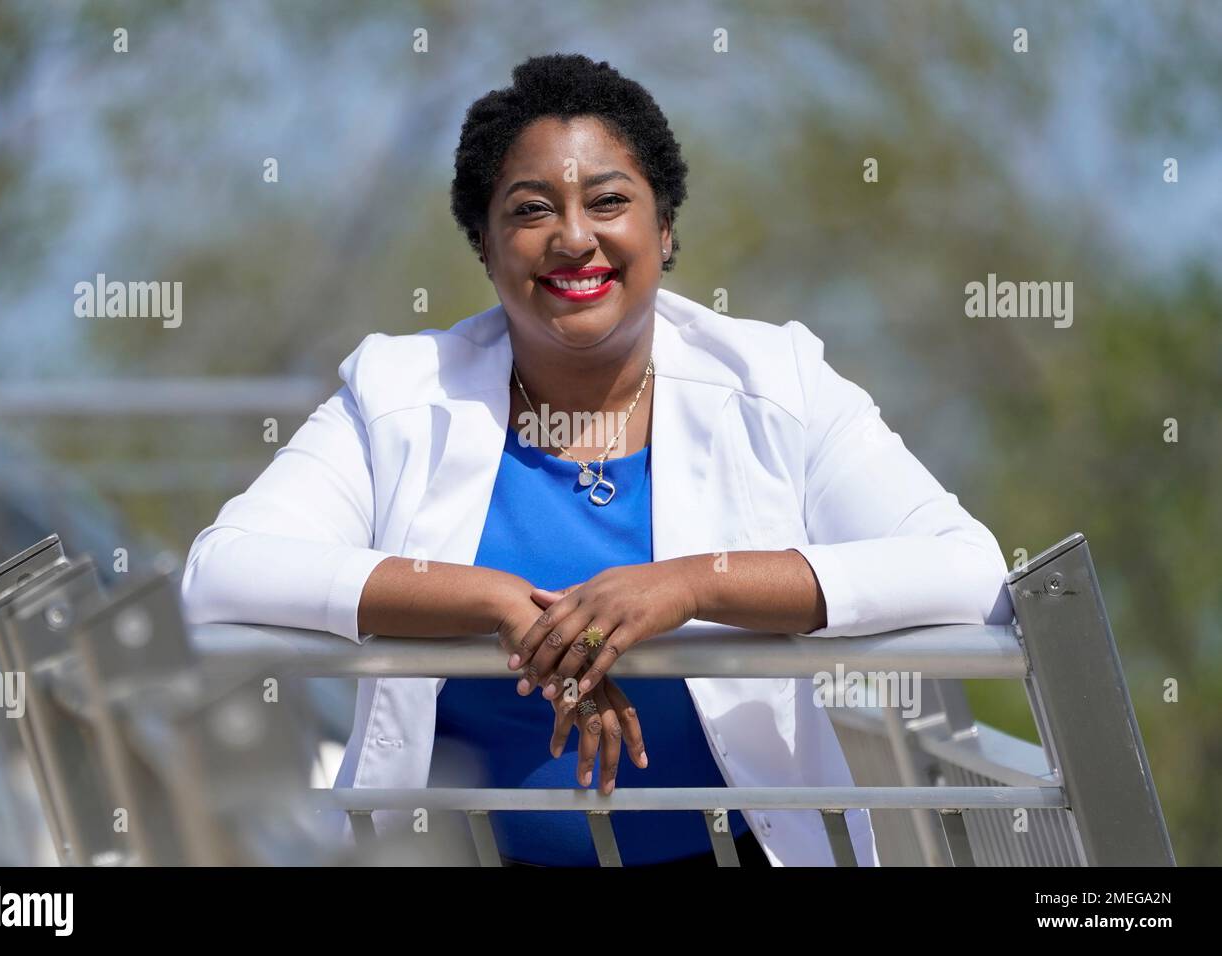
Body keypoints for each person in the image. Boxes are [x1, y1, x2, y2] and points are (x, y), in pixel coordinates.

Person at [181, 53, 1014, 867]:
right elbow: (221, 576)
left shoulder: (777, 381)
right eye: (532, 209)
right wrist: (498, 605)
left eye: (609, 201)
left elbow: (970, 574)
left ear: (665, 225)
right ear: (483, 241)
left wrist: (691, 585)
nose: (574, 239)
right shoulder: (398, 391)